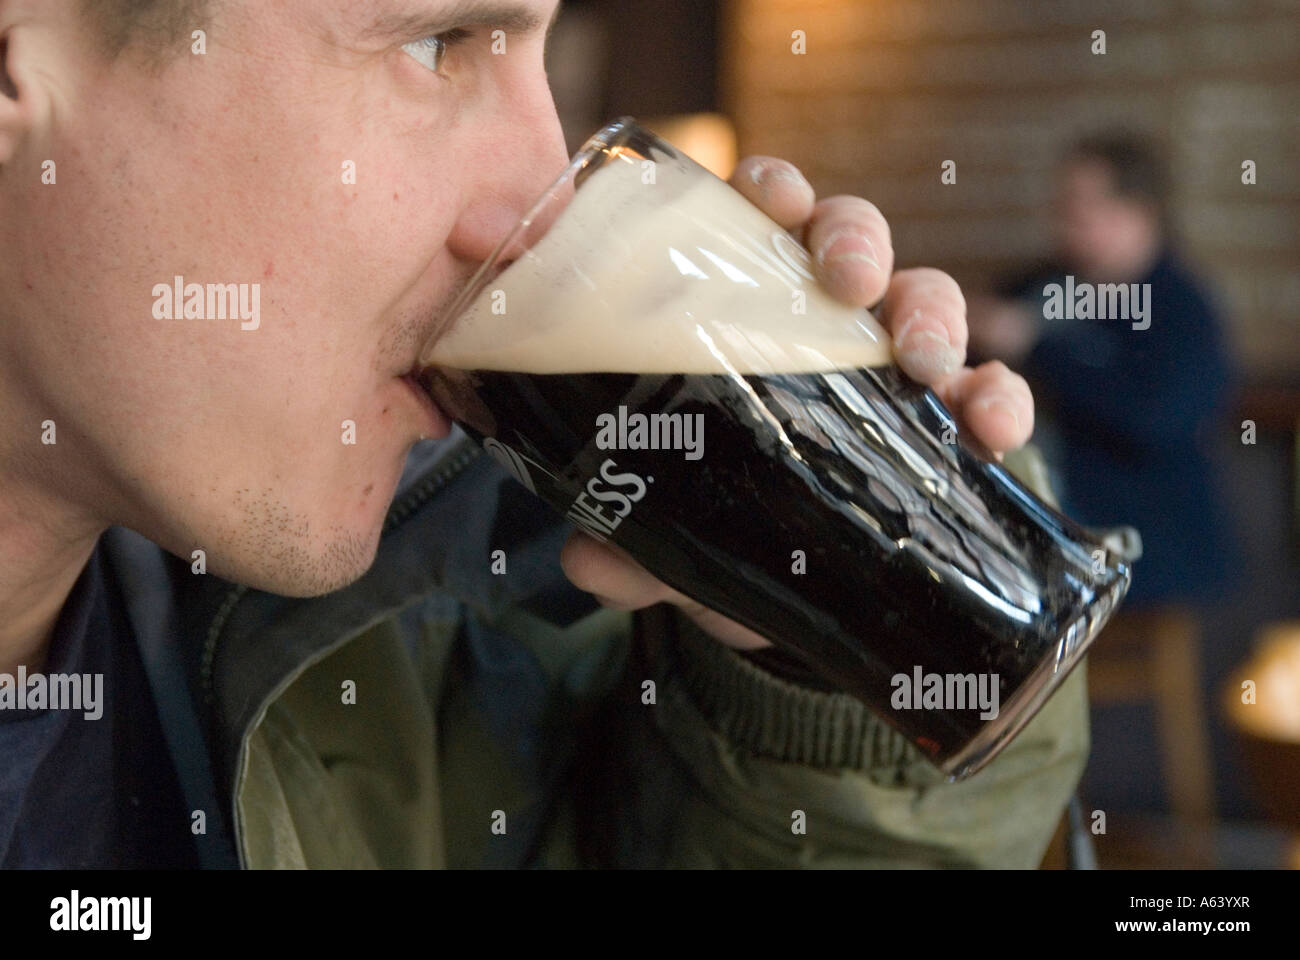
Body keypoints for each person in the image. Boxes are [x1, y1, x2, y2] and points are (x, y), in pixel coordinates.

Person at [0, 0, 1085, 868]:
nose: (541, 195)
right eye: (439, 42)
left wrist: (796, 649)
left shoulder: (413, 644)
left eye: (540, 61)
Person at [969, 130, 1239, 609]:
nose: (1066, 222)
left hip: (1149, 544)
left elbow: (1155, 419)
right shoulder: (1044, 285)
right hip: (1030, 539)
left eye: (1082, 206)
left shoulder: (1182, 308)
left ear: (1139, 212)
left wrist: (1039, 347)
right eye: (1064, 207)